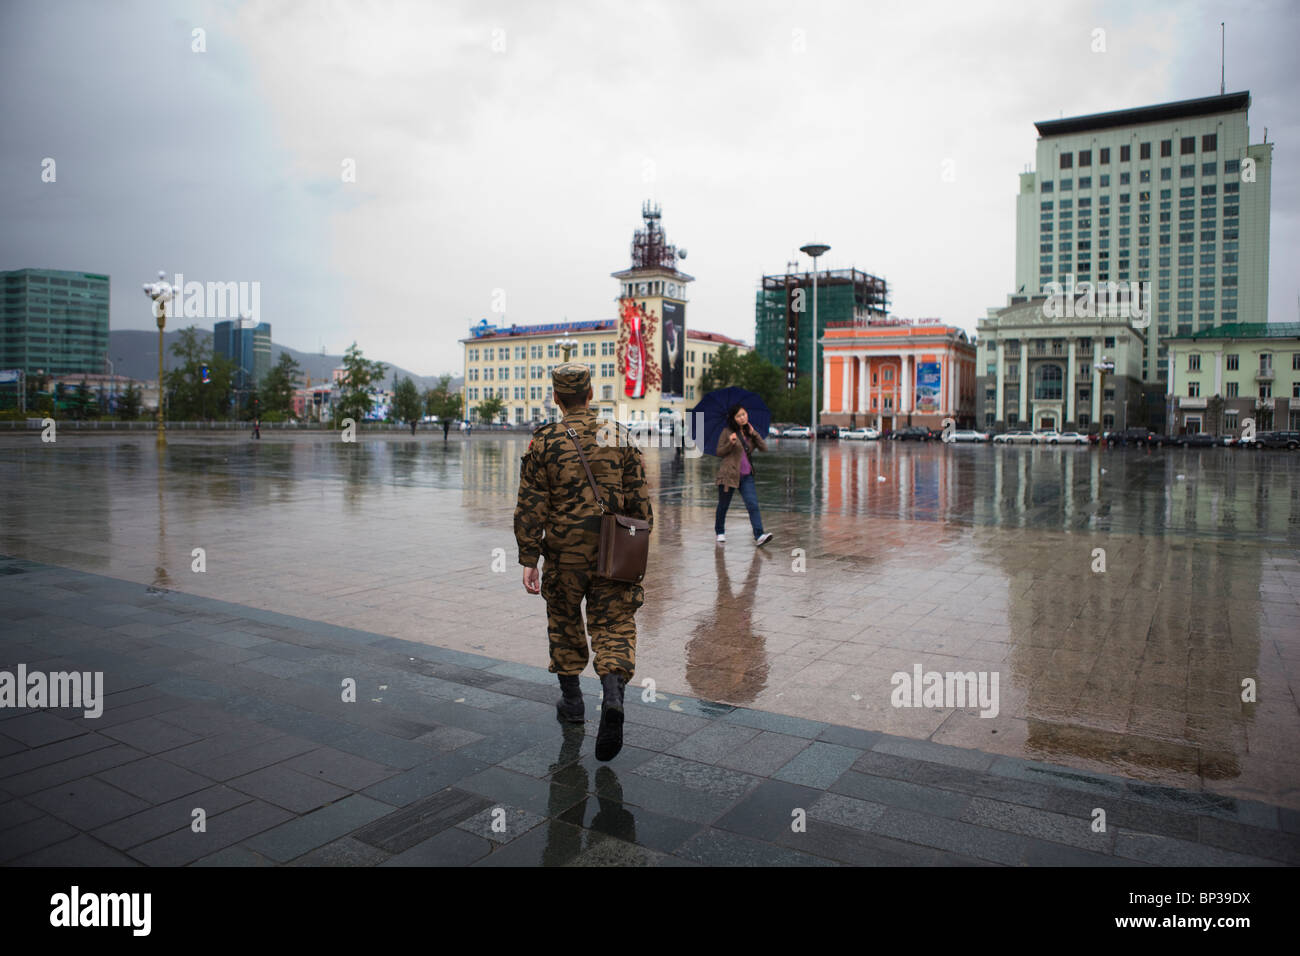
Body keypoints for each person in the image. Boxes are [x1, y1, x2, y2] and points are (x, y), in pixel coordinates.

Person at [514, 363, 653, 761]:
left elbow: (530, 506)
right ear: (591, 394)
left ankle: (573, 704)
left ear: (557, 398)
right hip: (613, 550)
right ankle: (612, 694)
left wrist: (529, 557)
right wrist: (638, 542)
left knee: (564, 620)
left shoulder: (543, 441)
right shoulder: (619, 434)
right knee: (613, 623)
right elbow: (641, 502)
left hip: (563, 554)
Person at [715, 404, 771, 547]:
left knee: (753, 505)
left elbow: (764, 448)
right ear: (734, 418)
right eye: (739, 416)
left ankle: (759, 535)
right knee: (723, 505)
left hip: (746, 476)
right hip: (729, 475)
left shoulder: (750, 432)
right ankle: (720, 531)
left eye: (744, 414)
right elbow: (719, 452)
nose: (742, 418)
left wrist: (754, 434)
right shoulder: (727, 432)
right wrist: (730, 443)